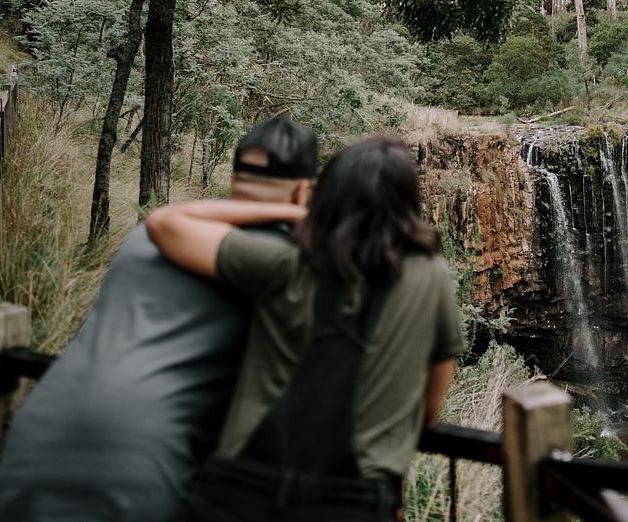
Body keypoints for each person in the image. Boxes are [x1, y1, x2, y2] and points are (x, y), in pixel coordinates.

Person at [0, 117, 320, 522]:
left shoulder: (148, 234)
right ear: (303, 190)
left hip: (34, 438)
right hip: (141, 459)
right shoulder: (279, 262)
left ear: (234, 177)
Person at [146, 135, 464, 522]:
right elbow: (429, 407)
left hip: (241, 486)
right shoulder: (431, 275)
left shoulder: (288, 263)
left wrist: (293, 211)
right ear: (406, 202)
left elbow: (165, 222)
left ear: (326, 195)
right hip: (353, 500)